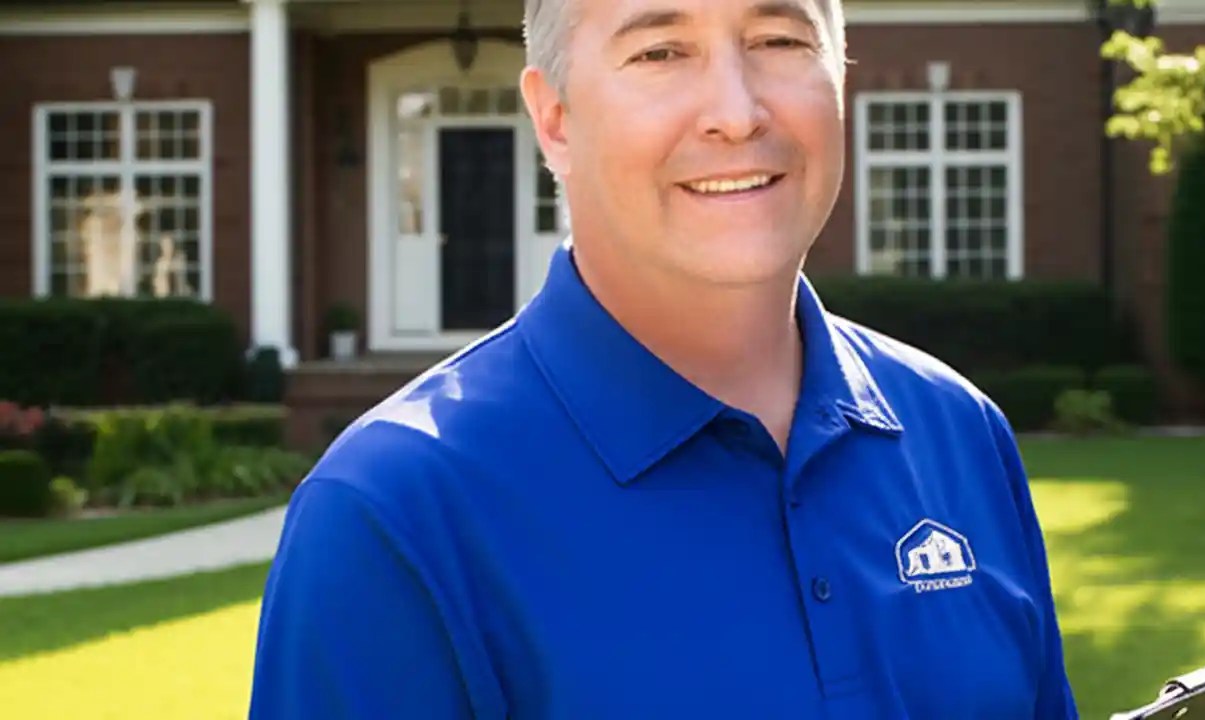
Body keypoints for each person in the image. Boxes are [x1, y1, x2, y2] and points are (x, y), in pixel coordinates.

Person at [248, 0, 1079, 717]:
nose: (737, 111)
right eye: (661, 51)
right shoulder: (393, 515)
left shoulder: (958, 432)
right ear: (555, 121)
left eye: (779, 41)